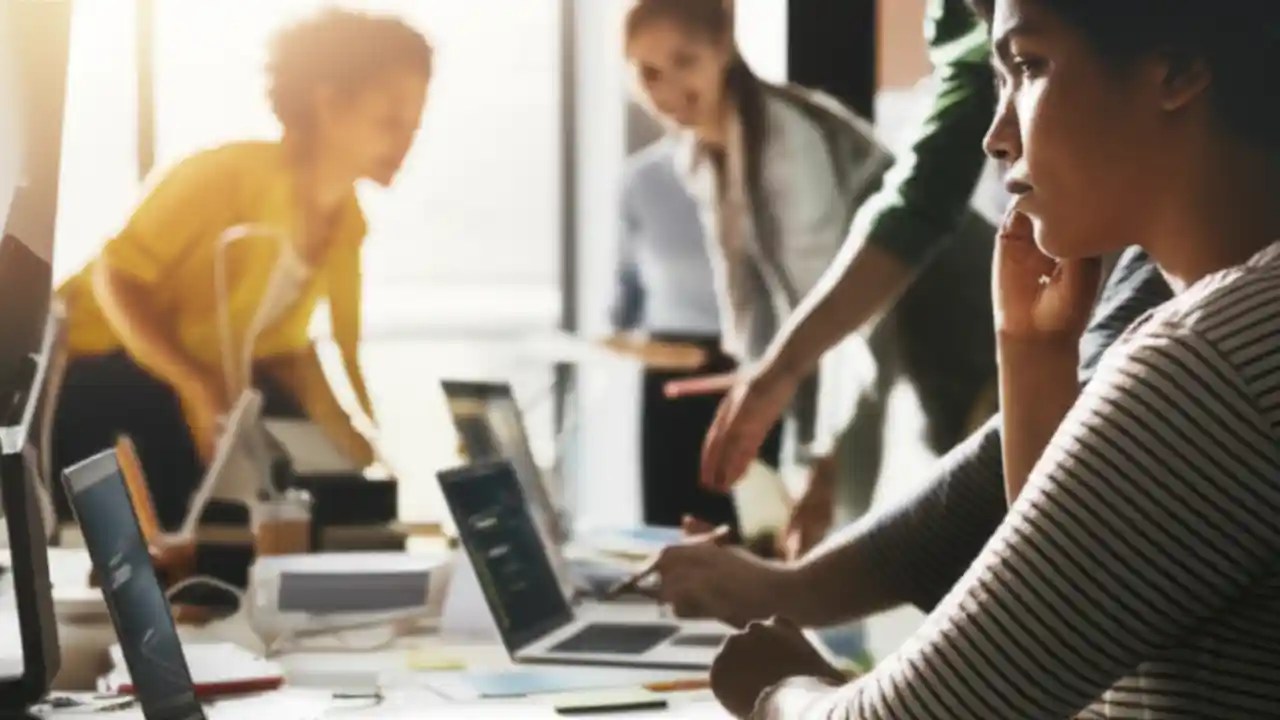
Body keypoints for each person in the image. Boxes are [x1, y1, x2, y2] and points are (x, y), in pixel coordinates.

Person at [709, 0, 1280, 716]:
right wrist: (1034, 357)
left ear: (1178, 68)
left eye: (1030, 66)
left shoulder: (1211, 361)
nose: (996, 136)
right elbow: (1070, 648)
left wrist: (780, 689)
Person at [624, 0, 996, 553]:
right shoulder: (699, 156)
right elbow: (750, 299)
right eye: (650, 73)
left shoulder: (785, 139)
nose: (671, 89)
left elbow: (838, 317)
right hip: (879, 326)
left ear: (723, 48)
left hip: (955, 310)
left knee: (967, 503)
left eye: (685, 61)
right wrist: (752, 376)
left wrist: (824, 460)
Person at [53, 9, 431, 529]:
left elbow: (285, 351)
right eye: (389, 122)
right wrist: (197, 388)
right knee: (212, 476)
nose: (406, 141)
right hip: (98, 368)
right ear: (328, 105)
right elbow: (115, 278)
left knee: (338, 492)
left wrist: (351, 442)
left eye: (413, 125)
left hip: (204, 376)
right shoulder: (222, 176)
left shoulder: (347, 224)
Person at [608, 137, 781, 529]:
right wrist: (615, 334)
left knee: (754, 514)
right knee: (671, 513)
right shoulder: (641, 177)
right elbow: (626, 285)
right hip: (668, 359)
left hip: (753, 359)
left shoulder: (769, 163)